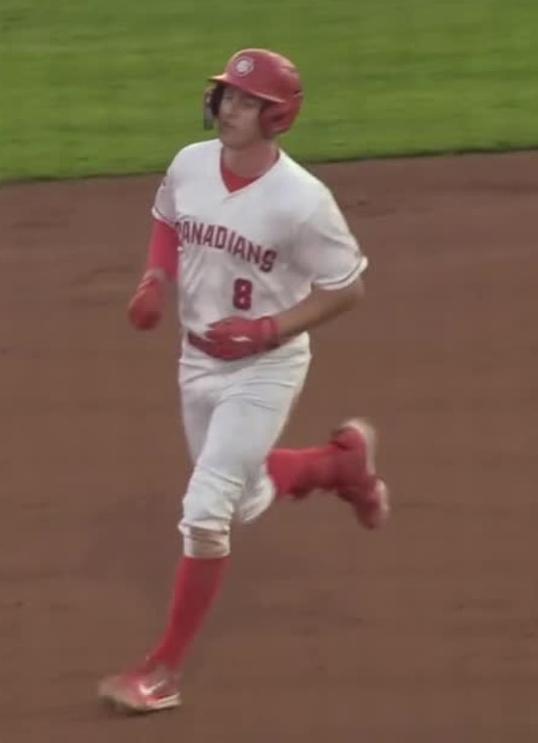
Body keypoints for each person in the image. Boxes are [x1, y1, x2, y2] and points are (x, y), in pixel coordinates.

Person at [97, 48, 390, 714]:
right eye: (227, 96)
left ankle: (162, 672)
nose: (231, 109)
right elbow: (167, 219)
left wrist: (268, 330)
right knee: (242, 497)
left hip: (265, 367)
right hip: (196, 360)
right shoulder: (190, 164)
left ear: (277, 116)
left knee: (205, 513)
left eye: (248, 102)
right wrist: (153, 279)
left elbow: (347, 288)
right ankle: (341, 465)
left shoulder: (303, 202)